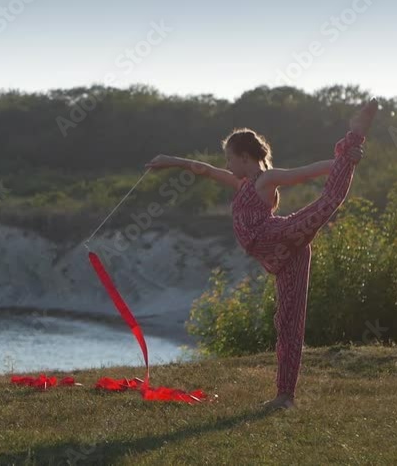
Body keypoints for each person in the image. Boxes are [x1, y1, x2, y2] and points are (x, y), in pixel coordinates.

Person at [145, 99, 379, 410]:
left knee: (326, 203)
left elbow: (305, 172)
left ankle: (355, 135)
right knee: (287, 322)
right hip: (284, 257)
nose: (226, 164)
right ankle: (285, 397)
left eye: (229, 158)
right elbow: (203, 170)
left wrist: (344, 160)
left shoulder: (265, 180)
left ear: (244, 158)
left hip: (280, 235)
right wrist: (169, 160)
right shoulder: (241, 183)